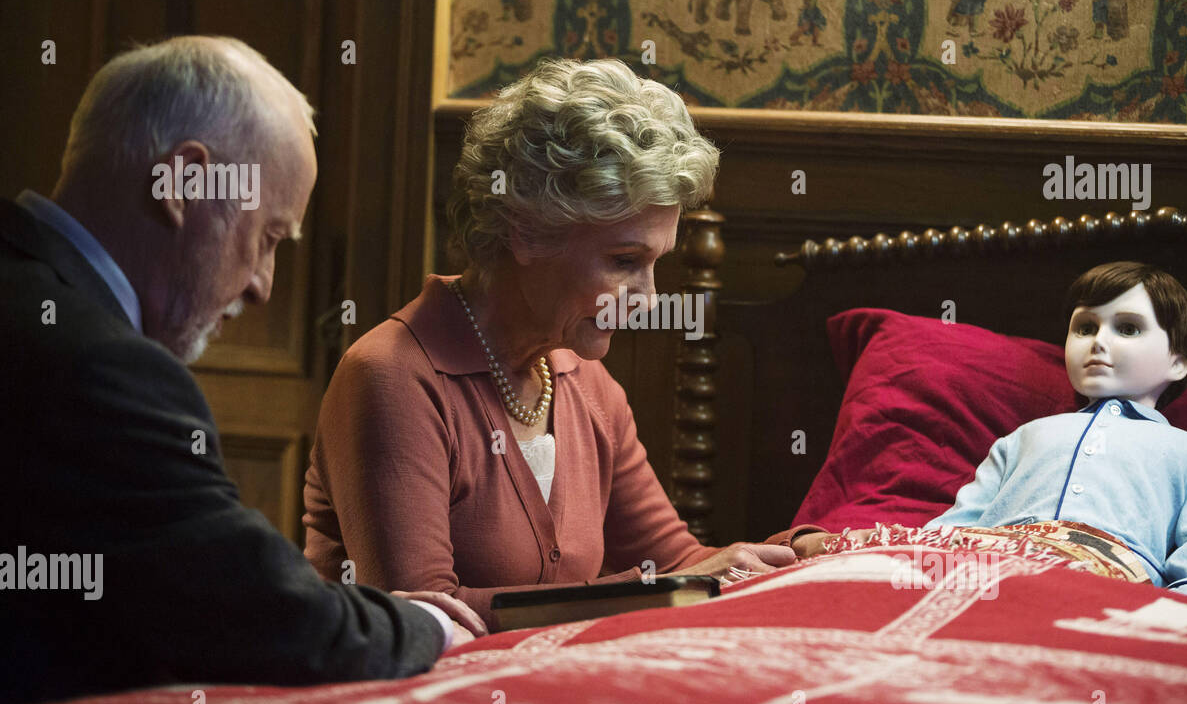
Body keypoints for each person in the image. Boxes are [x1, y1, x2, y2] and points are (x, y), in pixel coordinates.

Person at [0, 36, 483, 704]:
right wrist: (429, 624)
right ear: (185, 183)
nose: (262, 287)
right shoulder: (100, 369)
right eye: (268, 239)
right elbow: (268, 621)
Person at [302, 57, 822, 629]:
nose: (647, 300)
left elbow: (681, 561)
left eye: (655, 264)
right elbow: (425, 617)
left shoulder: (584, 380)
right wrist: (660, 588)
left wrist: (799, 552)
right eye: (625, 261)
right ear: (526, 230)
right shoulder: (393, 377)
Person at [795, 262, 1187, 596]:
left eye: (1127, 328)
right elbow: (953, 529)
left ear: (1178, 362)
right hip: (988, 562)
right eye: (1084, 327)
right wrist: (902, 558)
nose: (1098, 341)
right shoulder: (1024, 437)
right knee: (845, 561)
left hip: (1106, 577)